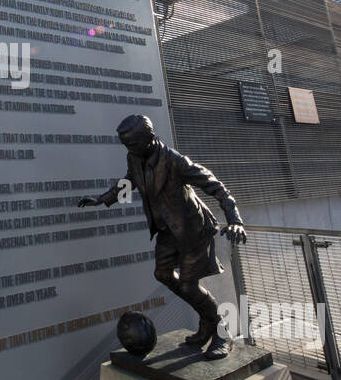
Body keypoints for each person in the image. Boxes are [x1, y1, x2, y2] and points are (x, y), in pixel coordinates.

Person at [78, 114, 247, 359]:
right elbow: (129, 183)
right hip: (167, 230)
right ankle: (208, 321)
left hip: (193, 231)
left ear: (149, 138)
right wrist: (103, 200)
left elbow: (215, 185)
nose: (128, 148)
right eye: (125, 144)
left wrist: (235, 220)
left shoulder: (174, 161)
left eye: (132, 143)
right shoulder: (135, 157)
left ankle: (221, 331)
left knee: (189, 285)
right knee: (163, 274)